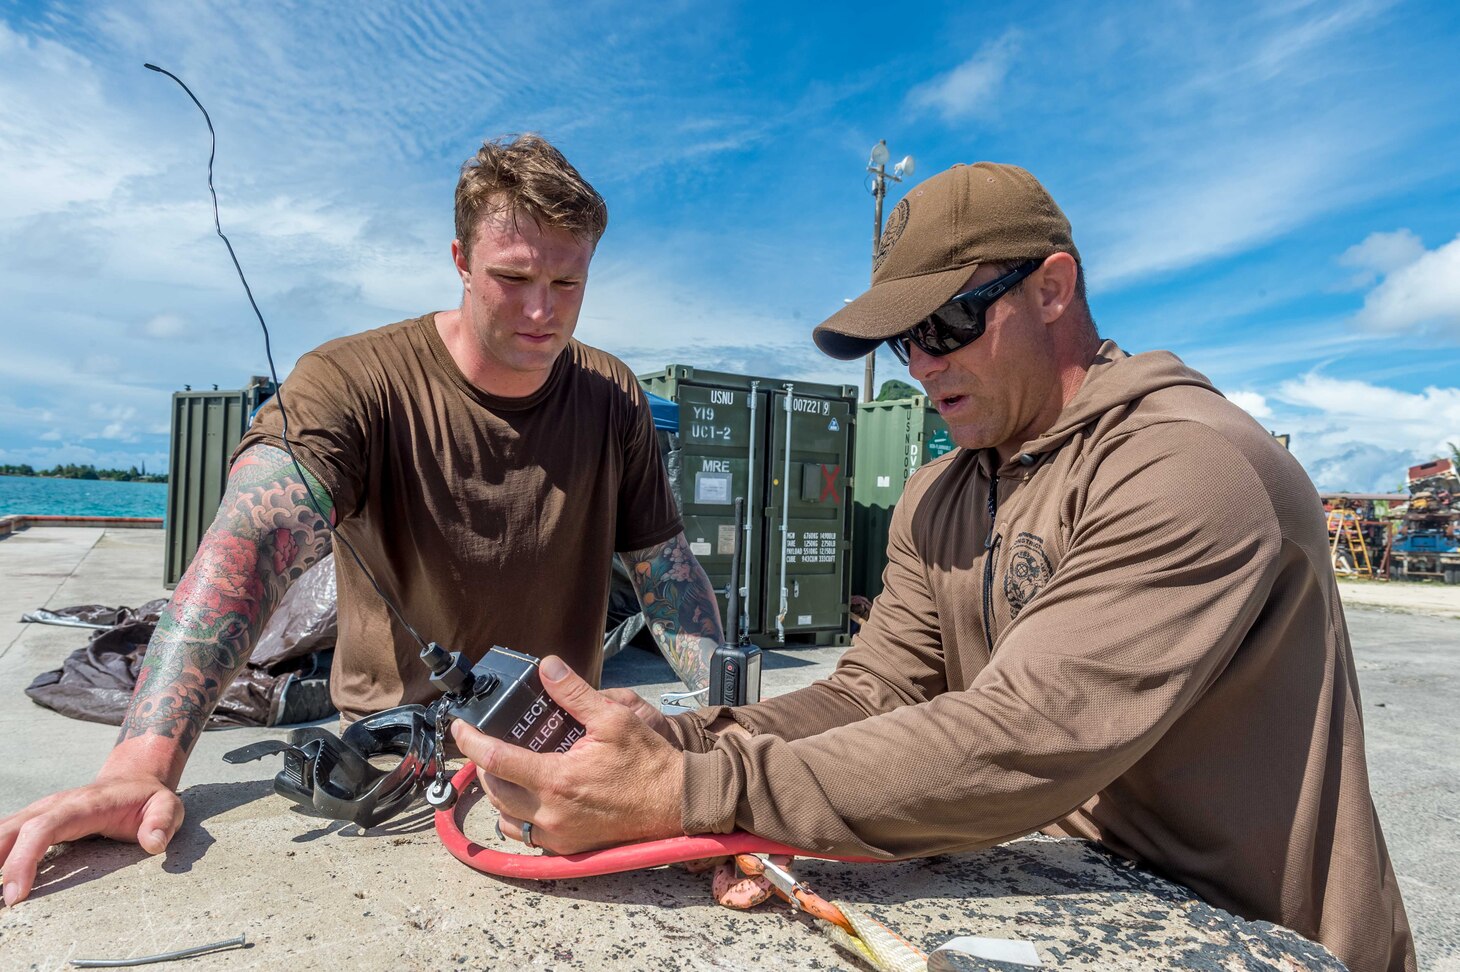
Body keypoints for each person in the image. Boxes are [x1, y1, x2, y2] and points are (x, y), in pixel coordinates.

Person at [450, 162, 1416, 972]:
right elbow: (871, 694)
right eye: (902, 338)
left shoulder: (1190, 467)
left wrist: (686, 794)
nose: (920, 363)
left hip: (1253, 932)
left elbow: (1027, 733)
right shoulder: (940, 494)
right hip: (1068, 901)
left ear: (1052, 289)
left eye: (946, 324)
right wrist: (672, 741)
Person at [0, 134, 723, 907]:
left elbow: (669, 578)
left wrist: (728, 743)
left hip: (559, 756)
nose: (542, 310)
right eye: (512, 278)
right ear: (460, 260)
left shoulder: (613, 394)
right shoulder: (353, 381)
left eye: (567, 282)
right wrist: (140, 767)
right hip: (391, 762)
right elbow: (248, 550)